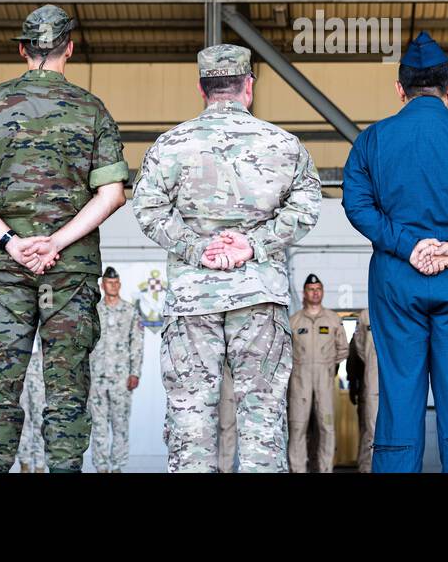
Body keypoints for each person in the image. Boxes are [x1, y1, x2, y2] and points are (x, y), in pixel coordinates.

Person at [0, 5, 129, 473]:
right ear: (70, 47)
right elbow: (112, 193)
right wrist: (56, 243)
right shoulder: (92, 109)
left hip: (6, 270)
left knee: (1, 389)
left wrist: (10, 241)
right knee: (67, 389)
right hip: (68, 273)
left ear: (25, 49)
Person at [132, 44, 322, 473]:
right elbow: (307, 207)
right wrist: (253, 244)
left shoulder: (169, 145)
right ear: (248, 87)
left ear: (203, 89)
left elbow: (147, 208)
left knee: (191, 418)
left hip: (191, 300)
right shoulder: (284, 144)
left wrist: (198, 248)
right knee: (262, 420)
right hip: (258, 297)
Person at [342, 31, 448, 473]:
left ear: (399, 89)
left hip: (397, 283)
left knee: (400, 395)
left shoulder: (371, 141)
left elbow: (356, 204)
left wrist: (407, 244)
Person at [289, 274, 348, 472]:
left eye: (319, 289)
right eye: (311, 289)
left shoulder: (332, 320)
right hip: (300, 381)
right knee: (297, 427)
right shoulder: (294, 322)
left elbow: (343, 349)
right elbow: (284, 352)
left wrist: (331, 367)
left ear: (322, 292)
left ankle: (325, 469)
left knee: (327, 427)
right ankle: (297, 470)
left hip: (324, 379)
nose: (315, 292)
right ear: (304, 293)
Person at [88, 266, 145, 473]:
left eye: (117, 282)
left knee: (120, 426)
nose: (114, 286)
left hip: (121, 378)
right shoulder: (94, 311)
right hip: (96, 378)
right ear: (103, 285)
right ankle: (102, 468)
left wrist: (135, 373)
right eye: (110, 283)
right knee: (99, 426)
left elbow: (137, 343)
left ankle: (118, 467)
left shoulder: (130, 311)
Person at [347, 307, 380, 472]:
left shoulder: (398, 307)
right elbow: (356, 354)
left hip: (394, 384)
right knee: (370, 432)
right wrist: (354, 385)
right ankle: (367, 468)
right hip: (369, 385)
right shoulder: (366, 316)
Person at [18, 339, 45, 473]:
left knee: (41, 419)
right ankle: (24, 464)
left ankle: (40, 466)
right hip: (17, 369)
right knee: (21, 420)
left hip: (40, 369)